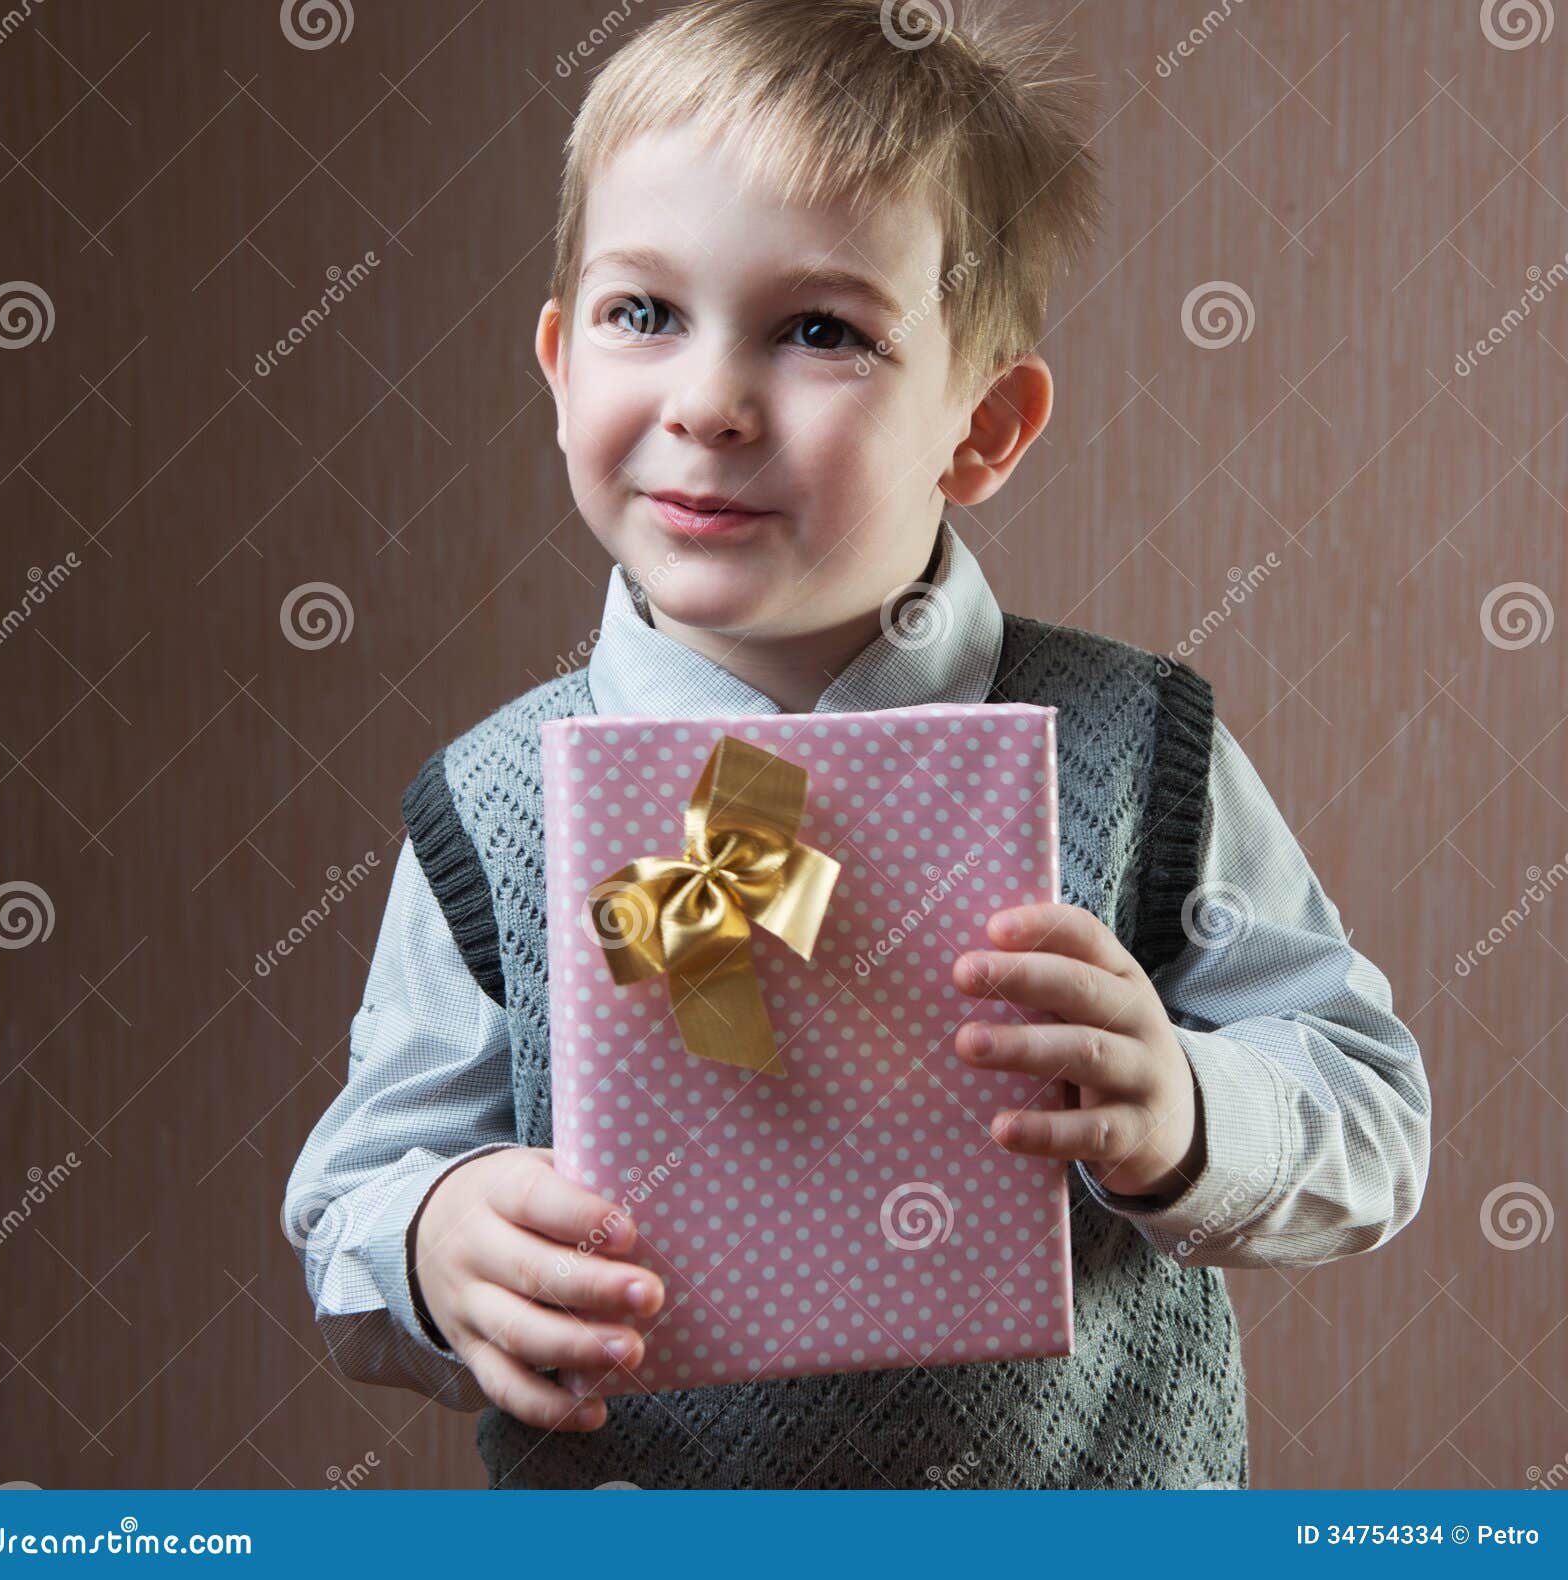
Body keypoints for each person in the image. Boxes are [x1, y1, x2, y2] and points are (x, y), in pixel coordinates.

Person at [283, 0, 1430, 1489]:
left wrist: (1188, 1111)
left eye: (820, 330)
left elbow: (1370, 1113)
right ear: (562, 361)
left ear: (985, 423)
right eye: (645, 314)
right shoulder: (492, 813)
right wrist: (438, 1245)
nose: (707, 403)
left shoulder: (1138, 748)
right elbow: (356, 1197)